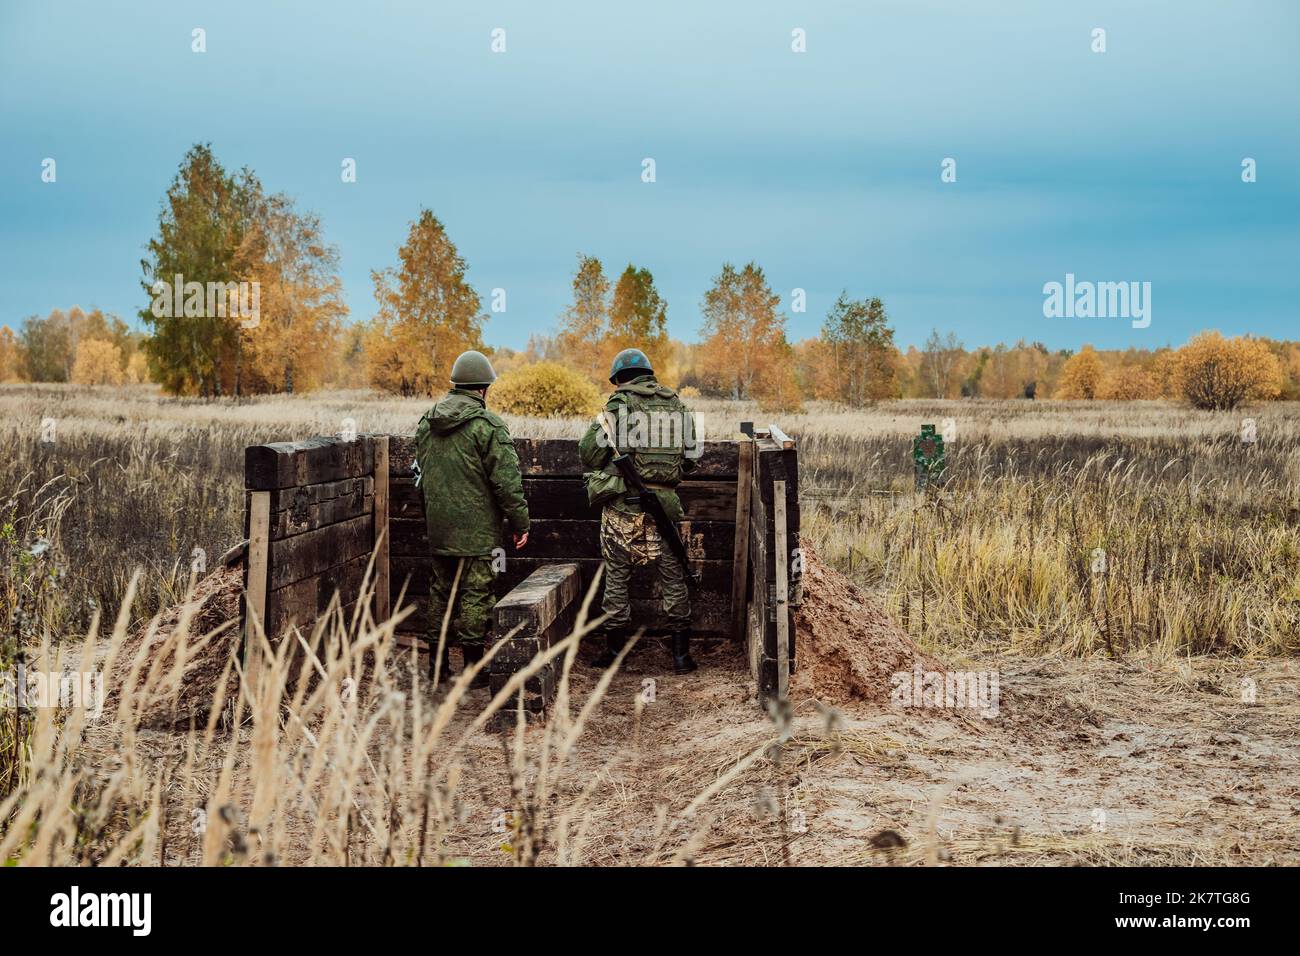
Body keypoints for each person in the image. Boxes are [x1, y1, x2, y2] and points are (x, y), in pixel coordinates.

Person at [578, 347, 699, 674]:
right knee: (674, 578)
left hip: (623, 508)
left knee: (617, 576)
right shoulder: (678, 405)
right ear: (648, 375)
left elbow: (588, 454)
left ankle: (616, 653)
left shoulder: (617, 405)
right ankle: (681, 657)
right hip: (667, 507)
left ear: (619, 379)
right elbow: (691, 459)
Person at [413, 350, 529, 686]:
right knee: (477, 593)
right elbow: (507, 482)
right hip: (479, 532)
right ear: (483, 389)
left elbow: (420, 478)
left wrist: (431, 516)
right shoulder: (488, 426)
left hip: (440, 529)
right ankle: (475, 671)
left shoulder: (427, 423)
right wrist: (520, 522)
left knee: (441, 593)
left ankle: (437, 668)